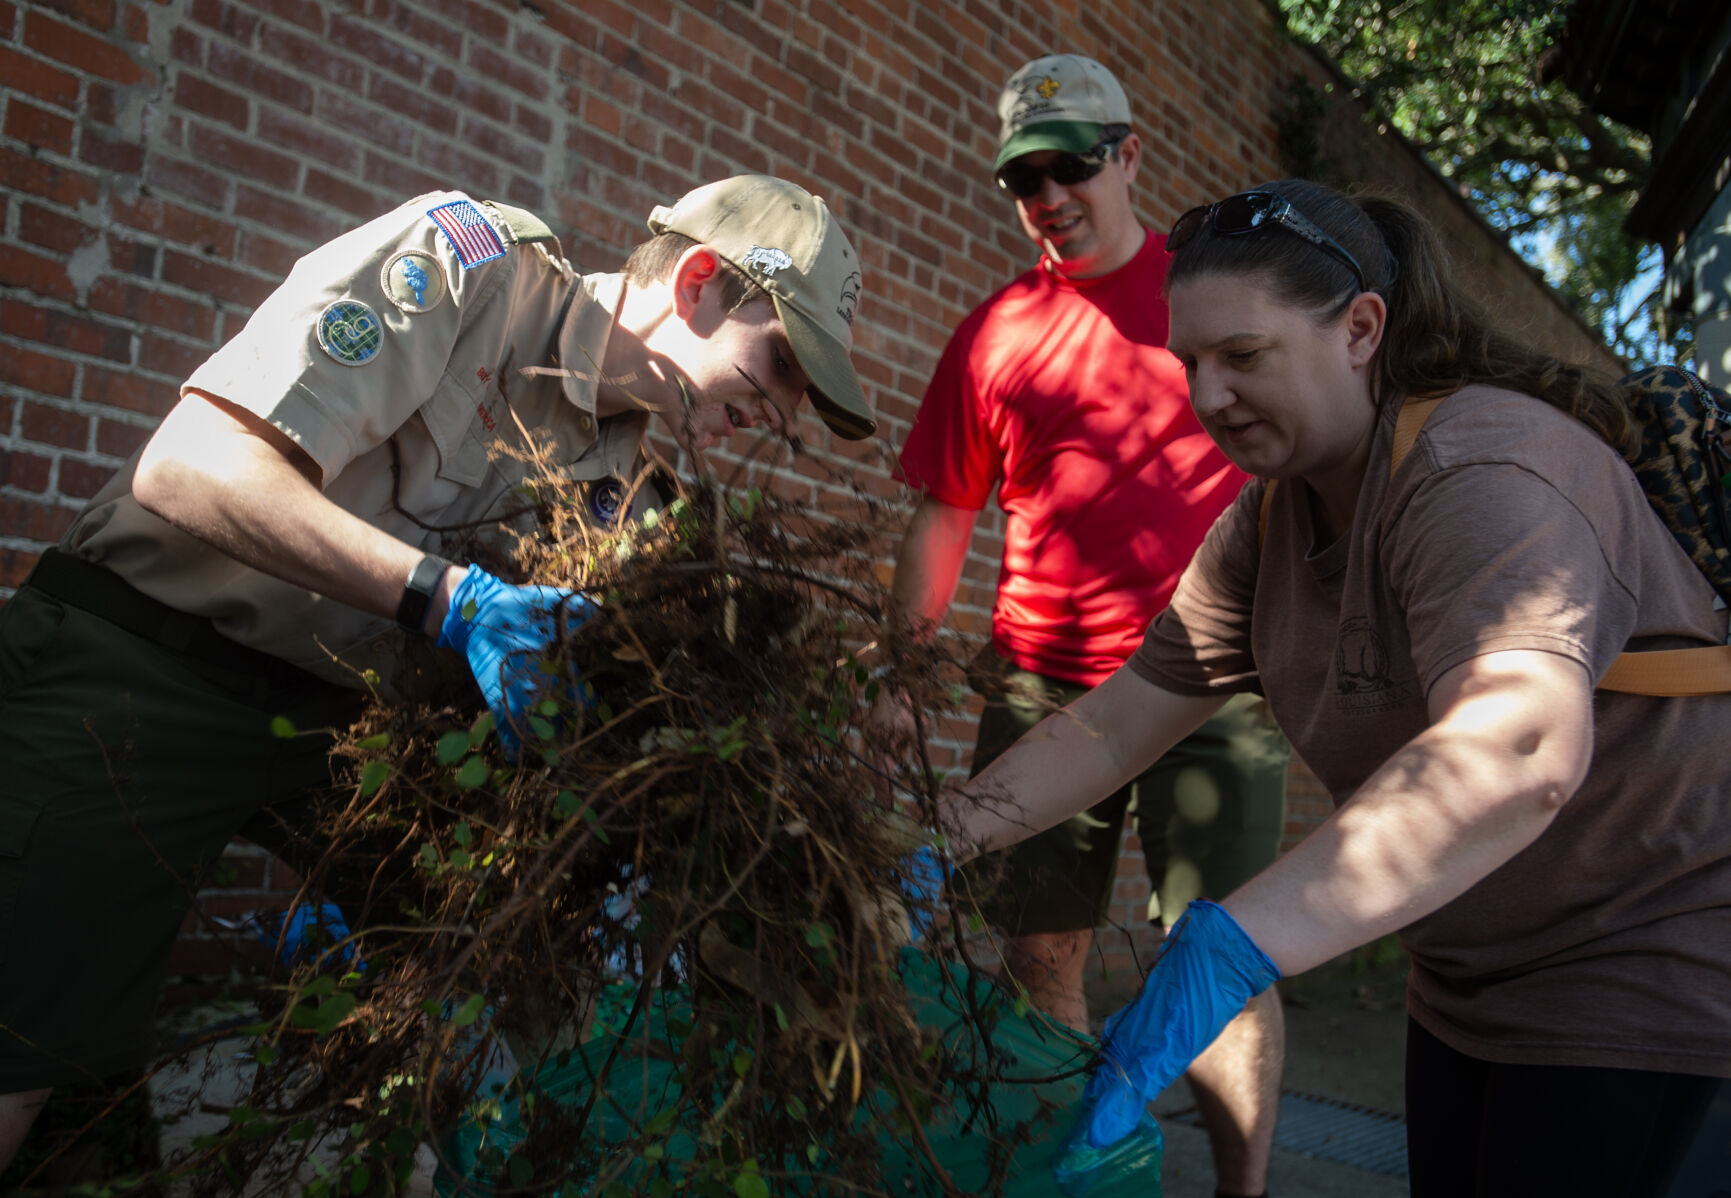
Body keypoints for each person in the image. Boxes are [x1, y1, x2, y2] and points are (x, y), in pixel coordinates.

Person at [0, 174, 876, 1172]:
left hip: (339, 729)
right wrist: (447, 599)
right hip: (147, 653)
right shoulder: (468, 272)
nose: (789, 407)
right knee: (21, 1058)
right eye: (784, 363)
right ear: (700, 284)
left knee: (472, 997)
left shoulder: (635, 488)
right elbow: (192, 466)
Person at [938, 178, 1731, 1194]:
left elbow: (1518, 749)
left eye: (1244, 355)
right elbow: (1119, 721)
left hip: (1649, 978)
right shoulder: (1269, 521)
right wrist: (938, 837)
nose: (1208, 395)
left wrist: (1228, 949)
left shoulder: (1483, 469)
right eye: (1190, 362)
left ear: (1360, 329)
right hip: (1466, 989)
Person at [874, 53, 1289, 1198]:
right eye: (1024, 177)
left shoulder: (1203, 299)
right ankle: (1070, 1175)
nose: (1049, 195)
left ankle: (1242, 1189)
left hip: (1212, 686)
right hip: (1042, 690)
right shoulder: (995, 333)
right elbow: (942, 518)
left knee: (1222, 966)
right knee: (1038, 952)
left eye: (1070, 165)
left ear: (1129, 155)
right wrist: (901, 669)